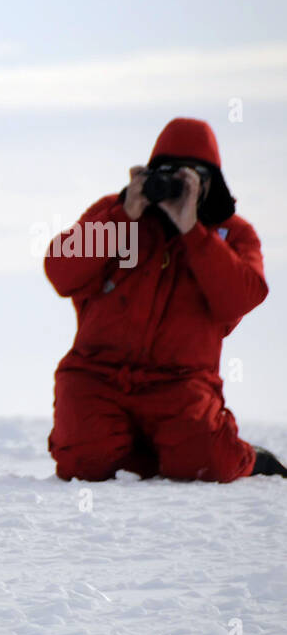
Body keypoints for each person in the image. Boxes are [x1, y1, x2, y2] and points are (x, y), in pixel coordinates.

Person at [45, 117, 285, 481]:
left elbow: (241, 298)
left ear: (210, 183)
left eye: (187, 177)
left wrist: (193, 231)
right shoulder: (117, 215)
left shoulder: (231, 234)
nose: (174, 186)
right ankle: (148, 450)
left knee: (202, 466)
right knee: (84, 464)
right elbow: (61, 270)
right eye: (166, 174)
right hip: (97, 375)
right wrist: (123, 215)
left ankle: (246, 457)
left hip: (181, 383)